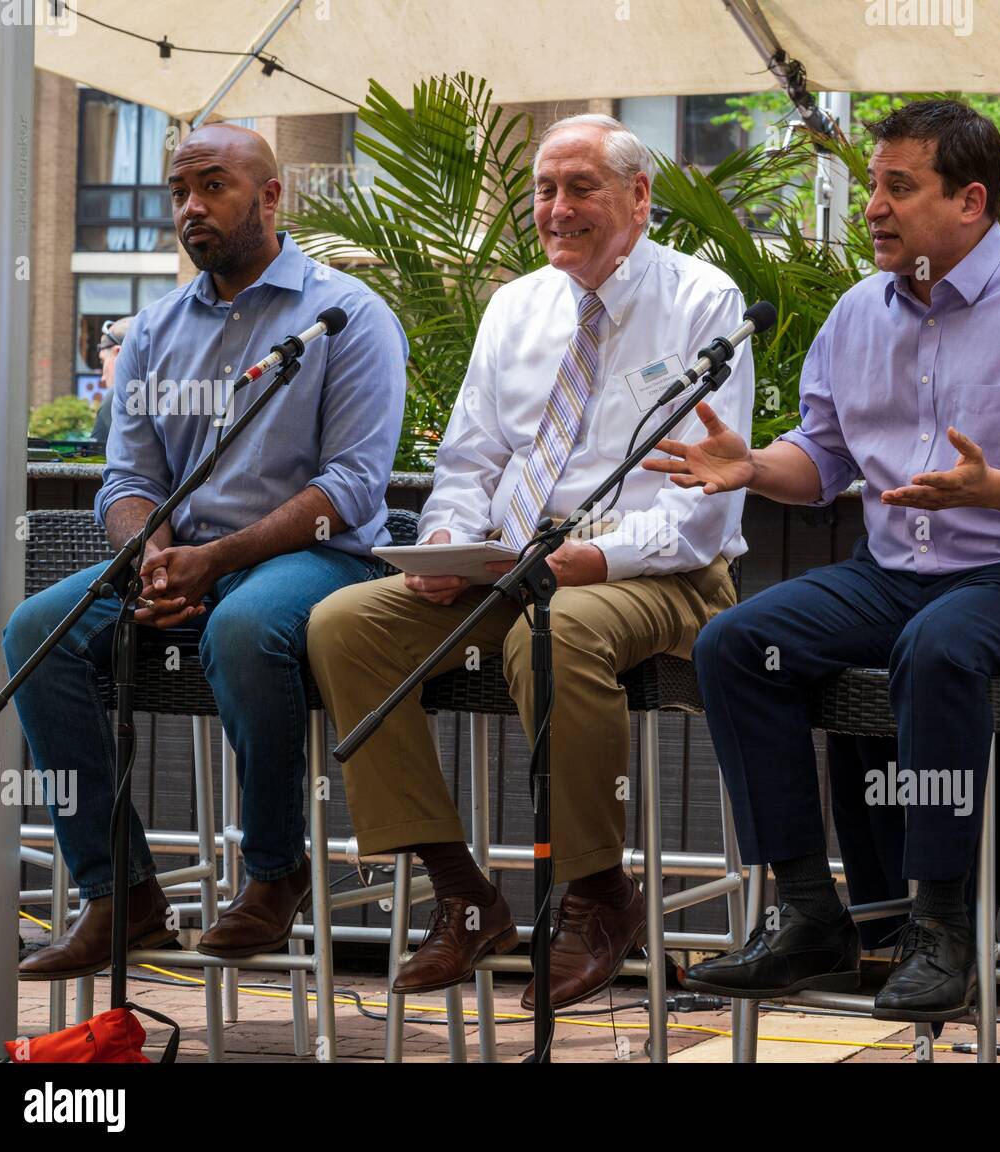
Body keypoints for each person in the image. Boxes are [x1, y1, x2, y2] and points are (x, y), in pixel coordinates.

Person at [649, 100, 1000, 1022]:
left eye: (898, 187)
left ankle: (940, 924)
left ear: (971, 201)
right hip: (895, 574)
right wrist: (754, 466)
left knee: (941, 647)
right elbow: (824, 460)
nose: (873, 206)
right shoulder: (855, 314)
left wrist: (991, 487)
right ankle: (804, 912)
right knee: (734, 644)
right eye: (872, 185)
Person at [308, 114, 754, 1011]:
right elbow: (470, 462)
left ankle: (597, 894)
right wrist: (444, 546)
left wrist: (582, 560)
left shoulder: (704, 303)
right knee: (344, 624)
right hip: (507, 564)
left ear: (639, 197)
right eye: (545, 190)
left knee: (549, 636)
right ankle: (462, 893)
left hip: (652, 575)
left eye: (580, 187)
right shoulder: (517, 306)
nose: (556, 207)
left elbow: (699, 515)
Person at [6, 123, 407, 979]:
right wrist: (151, 555)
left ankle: (275, 871)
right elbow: (125, 480)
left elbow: (355, 485)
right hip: (182, 559)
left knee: (242, 627)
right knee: (37, 632)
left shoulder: (349, 316)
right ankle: (121, 892)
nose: (191, 208)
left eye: (213, 187)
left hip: (316, 559)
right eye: (178, 194)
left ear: (270, 196)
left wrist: (215, 561)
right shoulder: (152, 330)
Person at [91, 315, 133, 446]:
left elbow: (94, 458)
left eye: (103, 361)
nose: (103, 378)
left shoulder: (117, 397)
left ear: (119, 353)